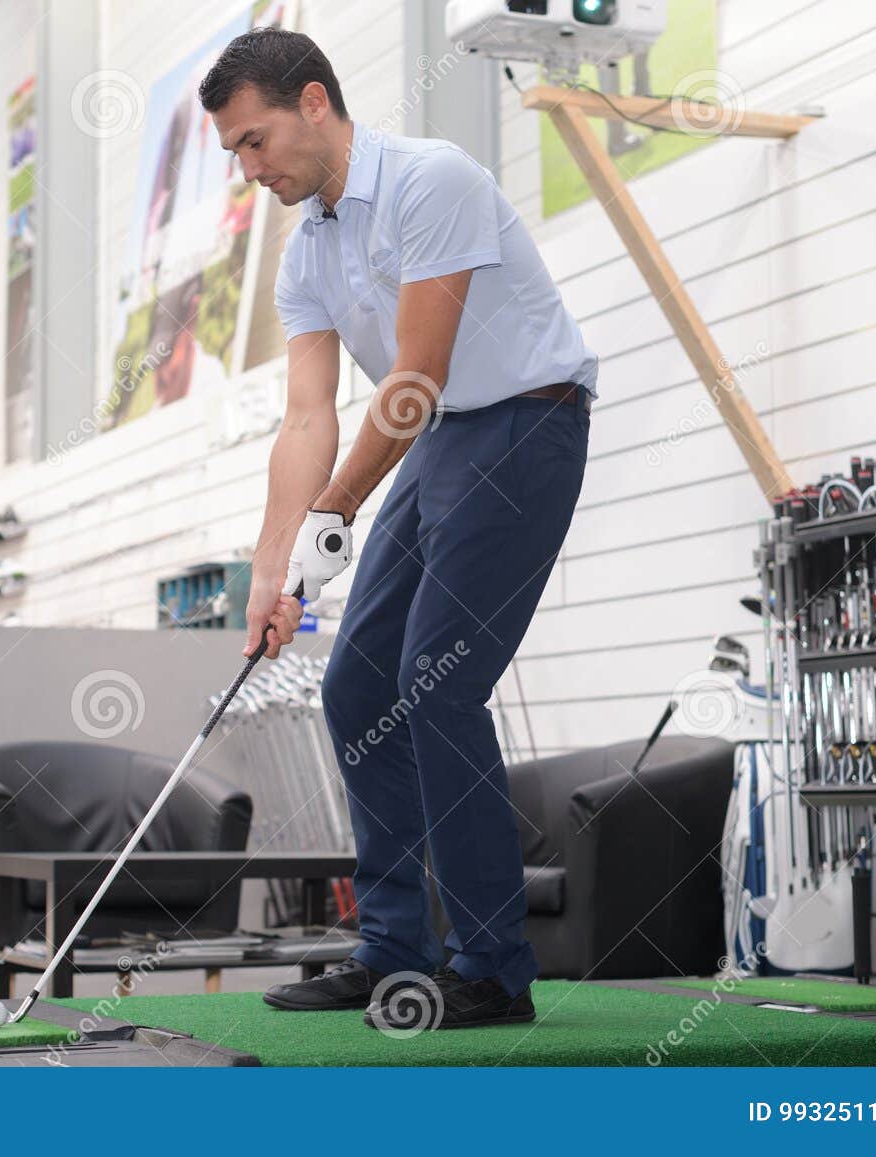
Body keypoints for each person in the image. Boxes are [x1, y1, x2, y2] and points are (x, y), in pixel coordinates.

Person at [199, 28, 598, 1029]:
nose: (251, 170)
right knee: (356, 682)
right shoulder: (309, 253)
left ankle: (494, 969)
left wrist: (335, 509)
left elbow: (413, 378)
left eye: (255, 142)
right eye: (233, 154)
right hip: (440, 440)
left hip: (524, 422)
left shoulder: (433, 180)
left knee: (435, 681)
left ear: (316, 102)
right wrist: (269, 567)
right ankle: (390, 949)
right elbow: (306, 416)